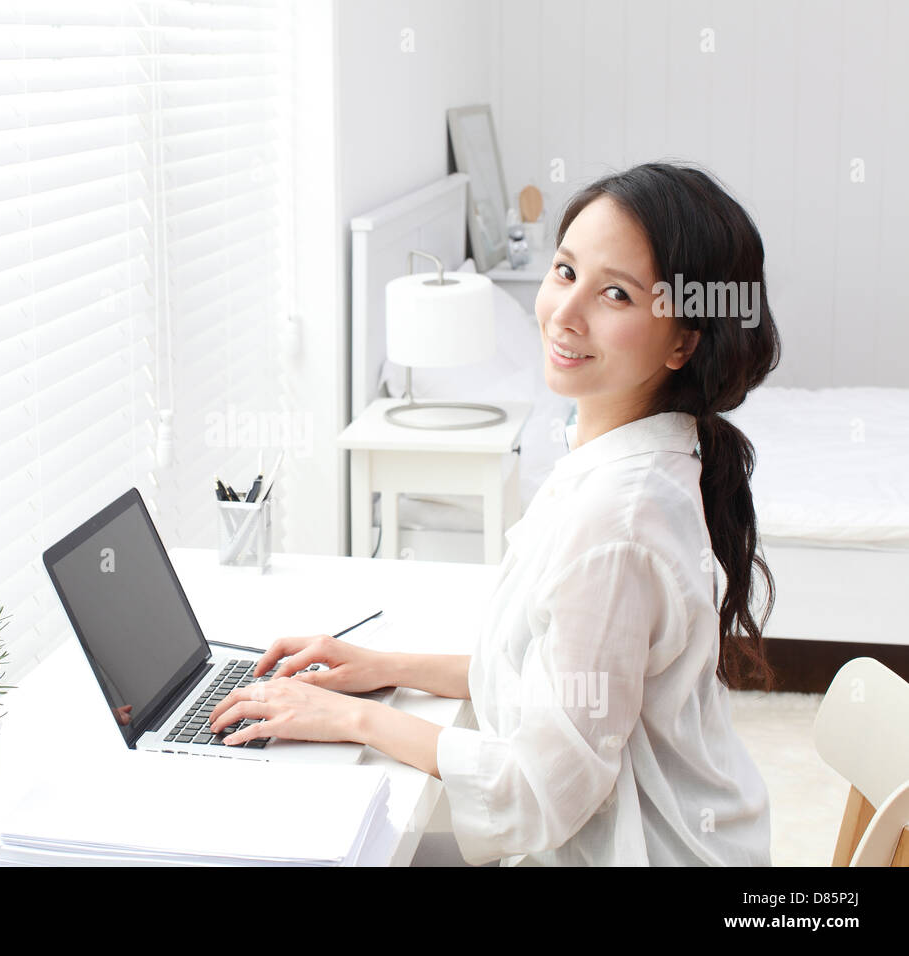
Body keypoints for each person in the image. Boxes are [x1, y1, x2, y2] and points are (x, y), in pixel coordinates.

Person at [208, 161, 781, 866]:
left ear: (684, 340)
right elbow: (551, 676)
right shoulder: (625, 462)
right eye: (565, 272)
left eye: (616, 294)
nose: (566, 316)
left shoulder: (617, 520)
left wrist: (352, 717)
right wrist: (382, 666)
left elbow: (534, 794)